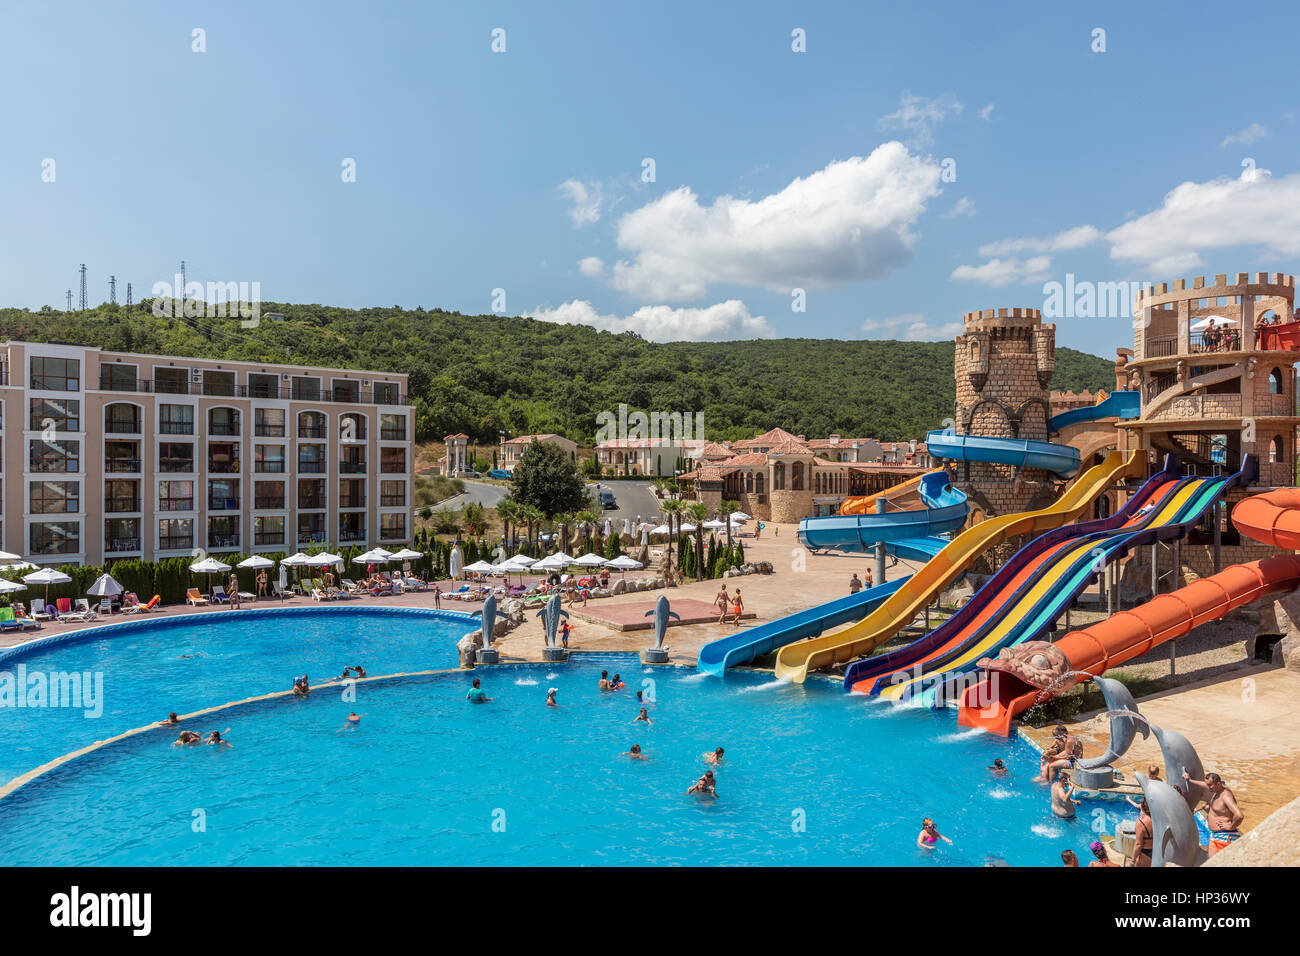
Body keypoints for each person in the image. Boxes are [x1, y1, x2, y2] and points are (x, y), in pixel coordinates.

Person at [1183, 771, 1244, 856]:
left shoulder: (1226, 796)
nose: (1208, 787)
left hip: (1225, 835)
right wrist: (1189, 780)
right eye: (1207, 784)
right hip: (1216, 835)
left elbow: (1239, 815)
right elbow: (1205, 784)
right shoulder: (1216, 790)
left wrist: (1231, 826)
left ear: (1218, 784)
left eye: (1210, 785)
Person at [1128, 798, 1153, 867]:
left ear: (1141, 807)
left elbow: (1139, 844)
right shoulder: (1157, 820)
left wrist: (1132, 860)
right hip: (1156, 851)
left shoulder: (1141, 823)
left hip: (1145, 853)